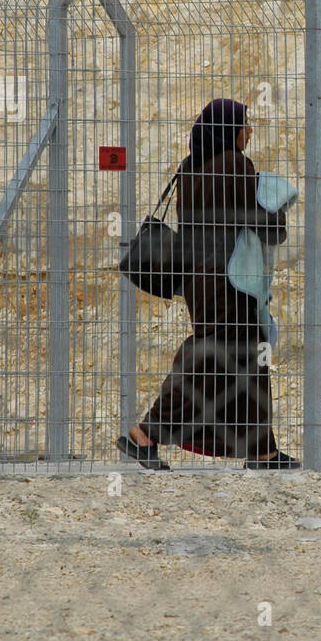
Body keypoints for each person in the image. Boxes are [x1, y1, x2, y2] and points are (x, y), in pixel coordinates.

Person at [117, 98, 301, 470]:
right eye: (245, 125)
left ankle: (263, 452)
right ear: (229, 131)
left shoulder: (191, 170)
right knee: (212, 358)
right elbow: (268, 226)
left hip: (199, 282)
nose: (249, 131)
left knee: (251, 359)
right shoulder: (234, 164)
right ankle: (145, 433)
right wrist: (279, 204)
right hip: (228, 282)